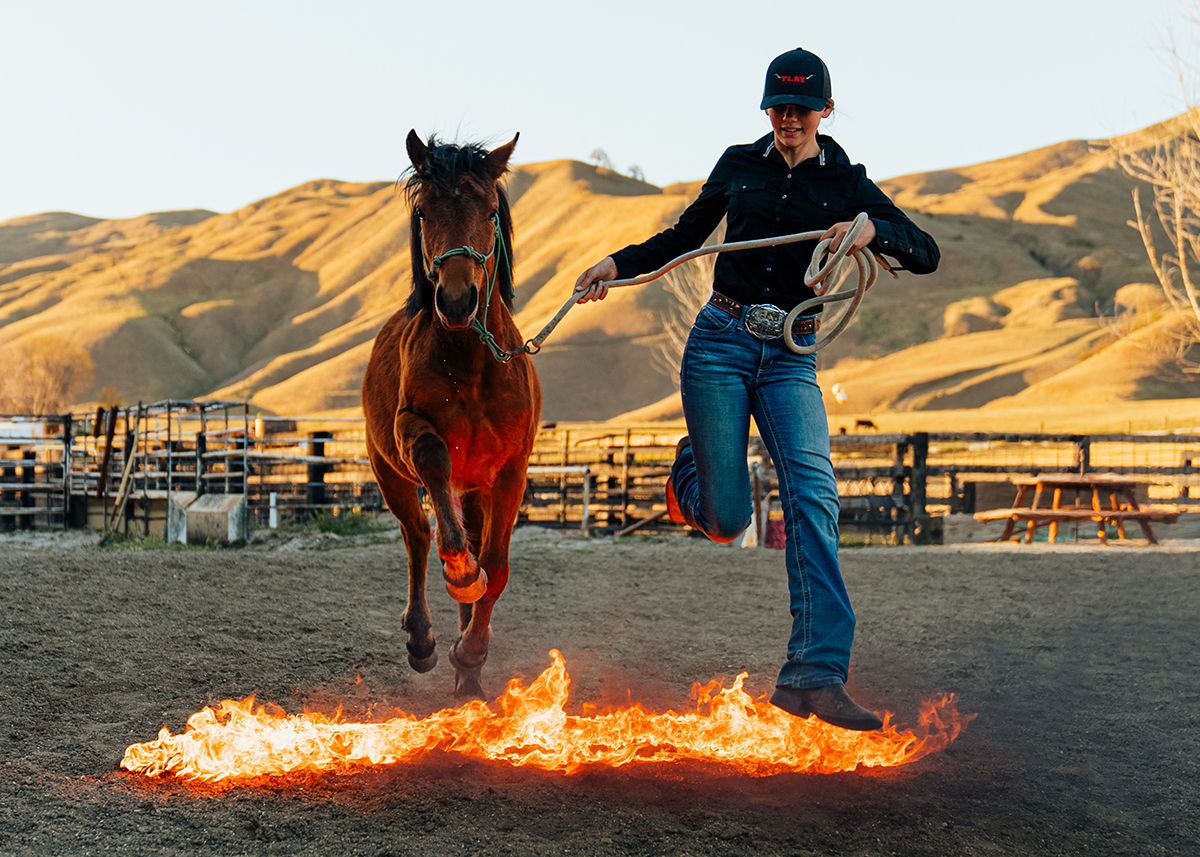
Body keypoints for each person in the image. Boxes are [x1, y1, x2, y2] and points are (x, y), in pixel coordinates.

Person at [573, 48, 939, 731]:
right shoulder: (738, 165)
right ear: (768, 109)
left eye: (801, 108)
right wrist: (614, 266)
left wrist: (872, 231)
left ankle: (815, 673)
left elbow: (925, 250)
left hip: (792, 356)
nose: (788, 119)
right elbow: (683, 238)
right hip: (720, 344)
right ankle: (694, 464)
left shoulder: (849, 182)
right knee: (728, 522)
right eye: (778, 107)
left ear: (825, 111)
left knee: (813, 494)